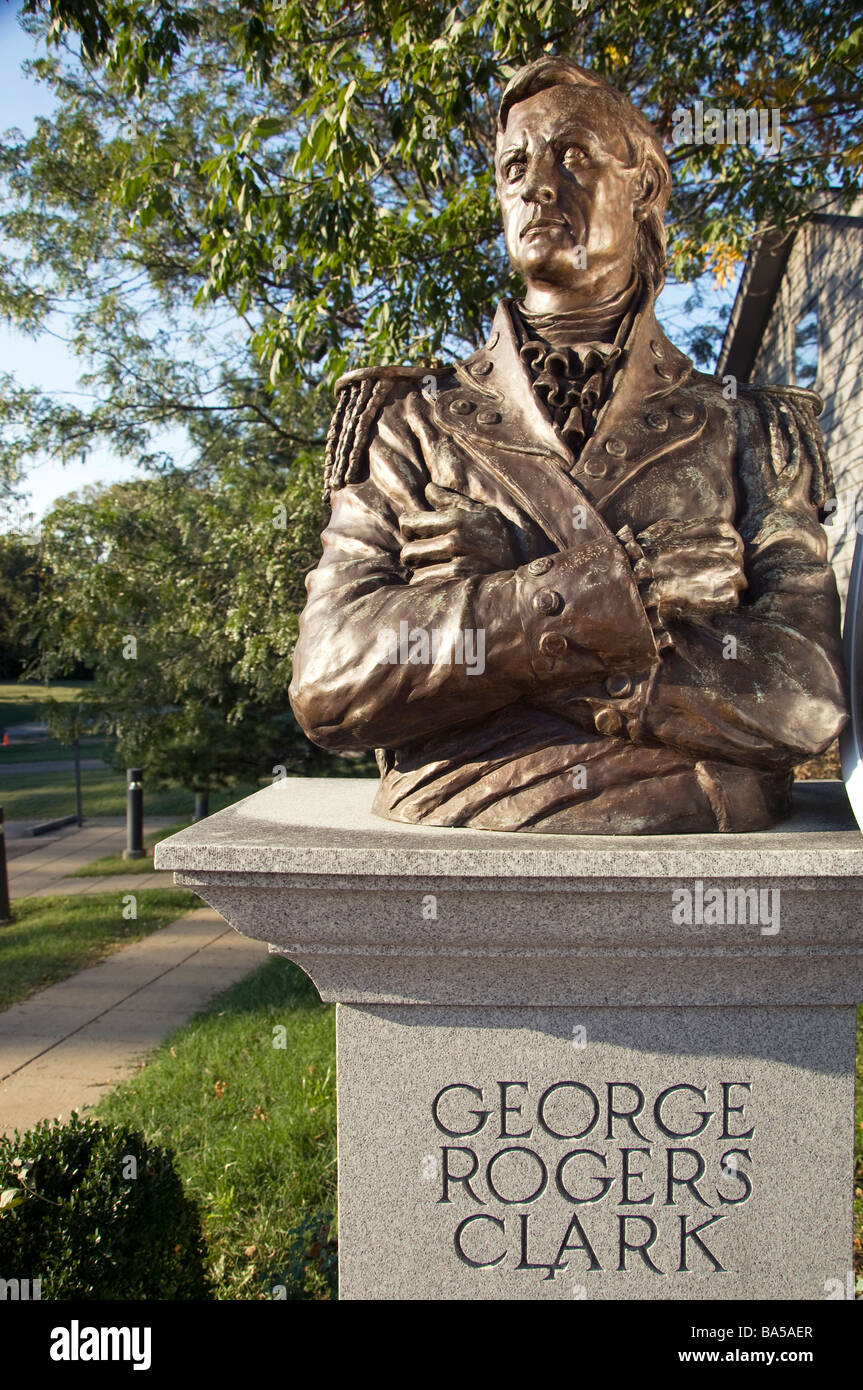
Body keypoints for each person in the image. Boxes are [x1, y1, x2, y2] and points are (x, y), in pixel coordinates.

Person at [289, 57, 847, 834]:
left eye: (573, 154)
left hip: (688, 818)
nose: (535, 184)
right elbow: (331, 681)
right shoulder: (411, 421)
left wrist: (478, 641)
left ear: (644, 188)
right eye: (513, 164)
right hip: (461, 820)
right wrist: (622, 601)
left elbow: (802, 699)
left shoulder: (746, 426)